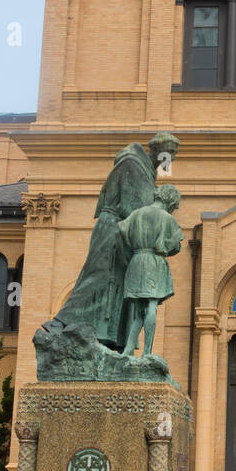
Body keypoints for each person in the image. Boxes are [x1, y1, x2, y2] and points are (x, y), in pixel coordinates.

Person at [52, 132, 179, 349]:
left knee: (117, 286)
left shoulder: (147, 171)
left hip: (125, 234)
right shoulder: (133, 164)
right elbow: (132, 206)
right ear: (159, 151)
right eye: (171, 154)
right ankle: (60, 323)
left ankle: (109, 340)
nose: (171, 160)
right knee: (98, 276)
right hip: (113, 229)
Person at [118, 184, 183, 357]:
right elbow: (174, 246)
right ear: (170, 200)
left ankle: (128, 349)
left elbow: (122, 233)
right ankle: (147, 352)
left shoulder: (136, 214)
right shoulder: (167, 218)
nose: (174, 208)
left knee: (138, 311)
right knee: (151, 305)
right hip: (154, 261)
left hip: (136, 260)